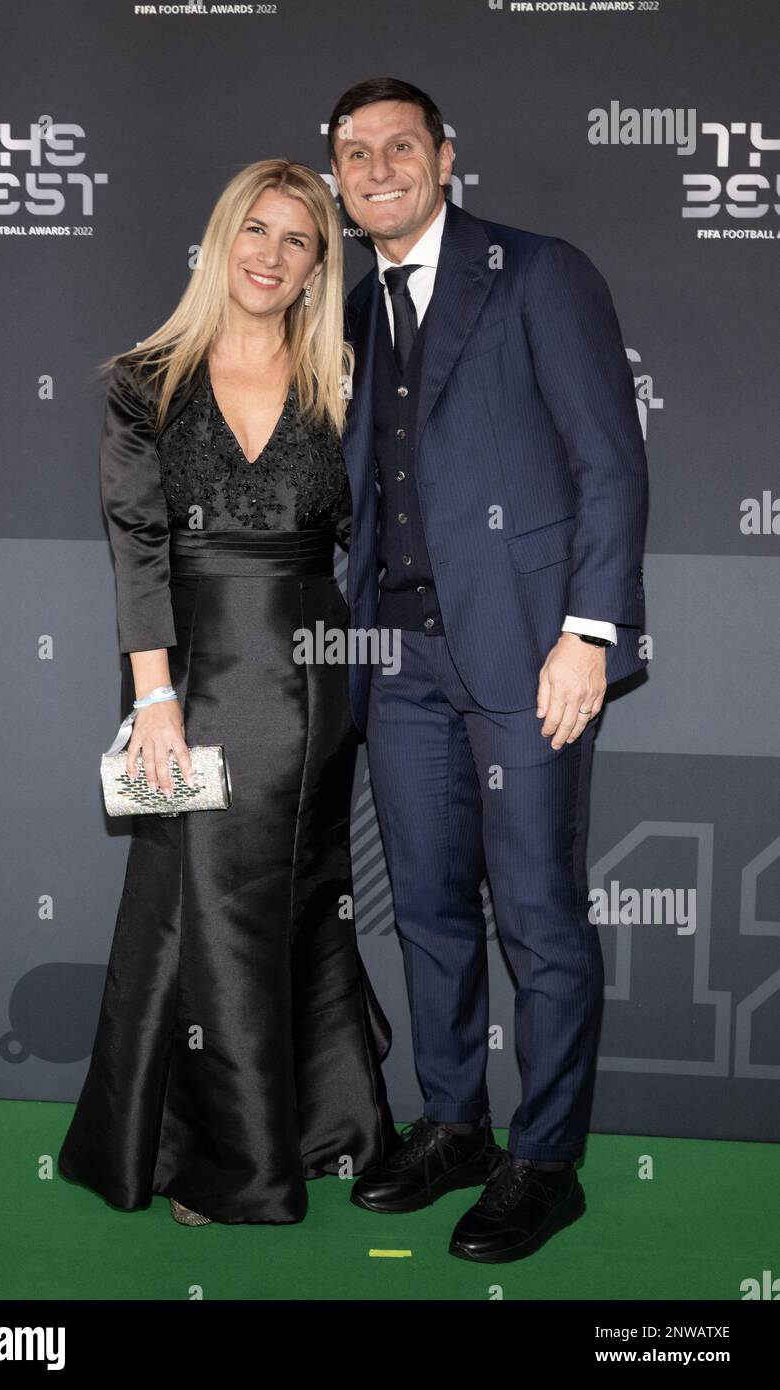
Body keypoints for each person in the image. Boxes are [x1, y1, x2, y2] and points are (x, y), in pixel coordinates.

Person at [328, 78, 649, 1262]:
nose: (377, 167)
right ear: (339, 176)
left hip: (528, 654)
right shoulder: (355, 307)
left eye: (398, 146)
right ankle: (454, 1120)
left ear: (444, 157)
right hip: (398, 660)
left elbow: (608, 462)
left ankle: (546, 1157)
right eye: (354, 152)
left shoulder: (537, 272)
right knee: (423, 910)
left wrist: (590, 632)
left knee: (537, 916)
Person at [58, 158, 398, 1227]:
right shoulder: (143, 378)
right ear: (219, 241)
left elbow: (375, 537)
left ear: (314, 267)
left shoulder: (341, 376)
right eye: (254, 229)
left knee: (297, 894)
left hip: (313, 682)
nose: (271, 253)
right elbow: (138, 551)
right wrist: (153, 699)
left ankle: (310, 1131)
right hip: (194, 681)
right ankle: (211, 1152)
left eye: (297, 240)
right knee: (191, 910)